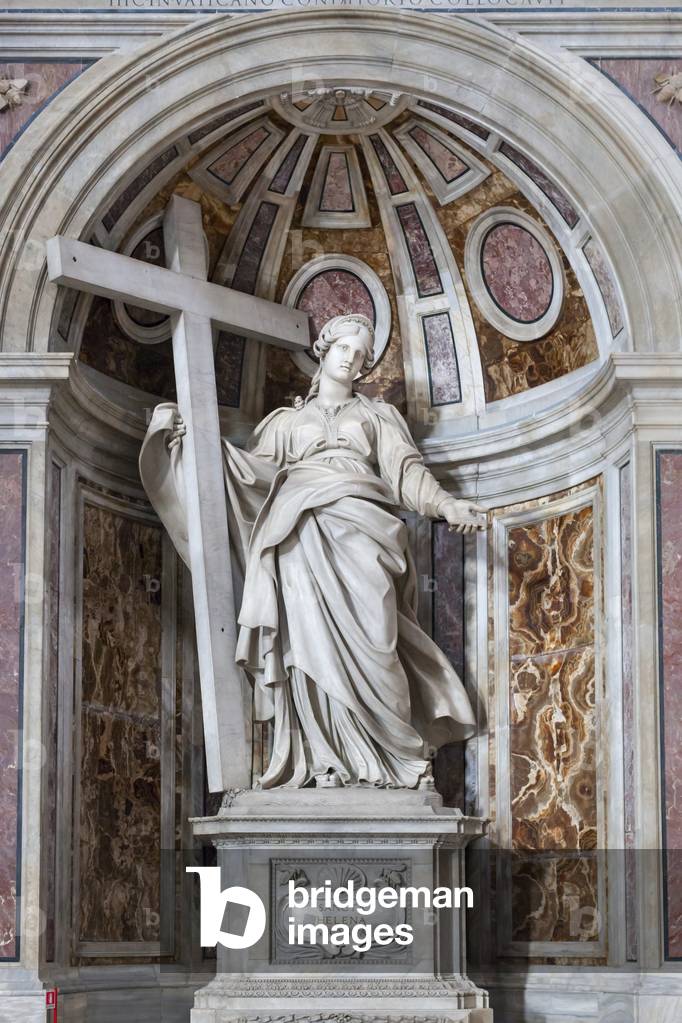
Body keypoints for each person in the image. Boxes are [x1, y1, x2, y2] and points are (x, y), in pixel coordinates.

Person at [140, 313, 487, 790]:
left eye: (361, 354)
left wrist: (447, 504)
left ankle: (392, 757)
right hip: (299, 535)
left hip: (364, 532)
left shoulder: (377, 417)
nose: (351, 357)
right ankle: (321, 758)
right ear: (324, 350)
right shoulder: (286, 423)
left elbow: (407, 474)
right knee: (305, 644)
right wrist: (196, 446)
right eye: (344, 347)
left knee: (376, 637)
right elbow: (246, 475)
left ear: (365, 367)